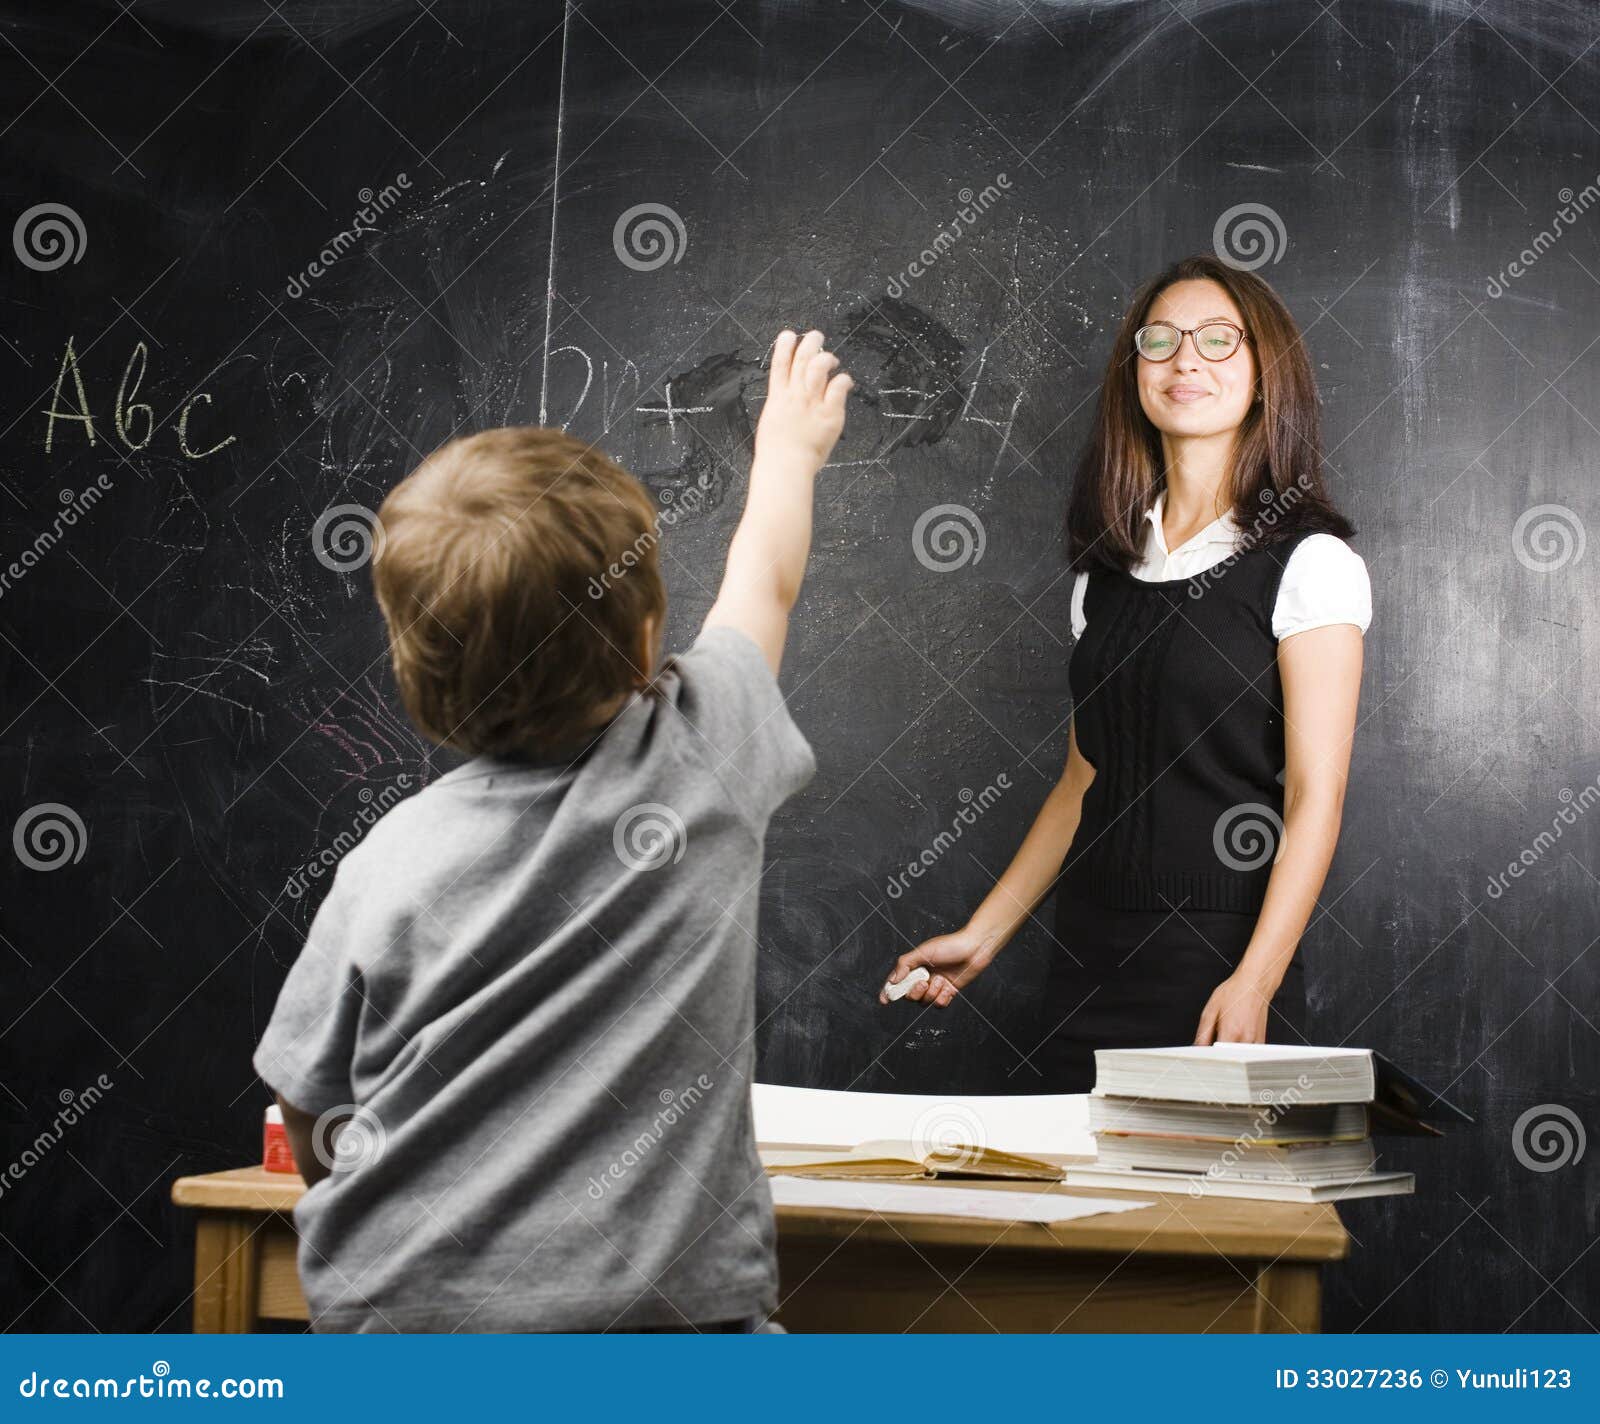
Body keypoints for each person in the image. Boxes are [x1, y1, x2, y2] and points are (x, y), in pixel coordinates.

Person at [252, 329, 852, 1330]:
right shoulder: (700, 759)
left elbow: (310, 1106)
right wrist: (789, 451)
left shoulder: (384, 860)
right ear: (646, 633)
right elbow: (765, 584)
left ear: (415, 667)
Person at [880, 255, 1370, 1091]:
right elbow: (1083, 781)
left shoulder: (1310, 564)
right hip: (1086, 952)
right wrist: (984, 935)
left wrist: (1255, 982)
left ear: (1265, 375)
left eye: (1219, 340)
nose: (1186, 360)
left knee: (1198, 1181)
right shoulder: (1103, 576)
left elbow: (1314, 799)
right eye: (1161, 340)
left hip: (1219, 964)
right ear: (1134, 371)